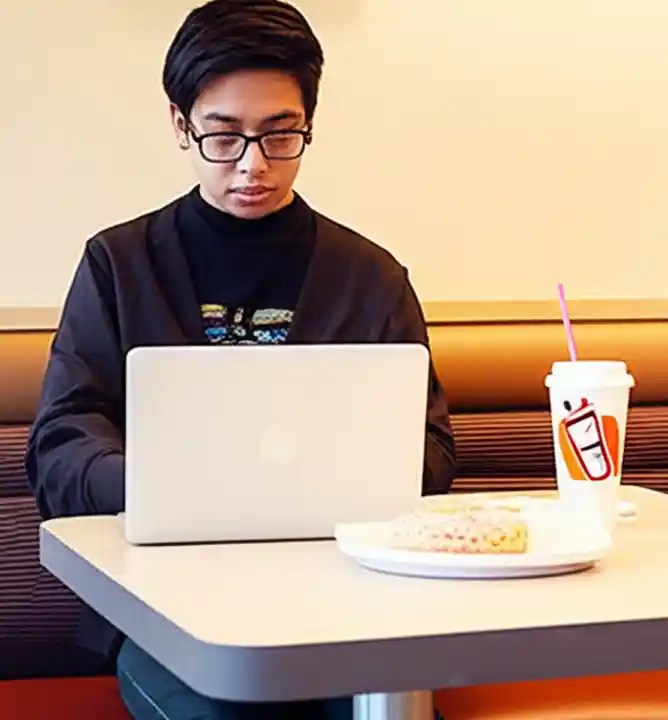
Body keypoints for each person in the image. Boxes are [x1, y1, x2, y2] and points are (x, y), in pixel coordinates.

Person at [24, 0, 457, 717]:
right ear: (179, 125)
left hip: (347, 613)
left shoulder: (370, 276)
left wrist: (337, 483)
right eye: (224, 137)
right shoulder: (119, 264)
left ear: (309, 125)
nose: (253, 165)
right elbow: (64, 439)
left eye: (281, 135)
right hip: (166, 615)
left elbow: (433, 450)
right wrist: (170, 490)